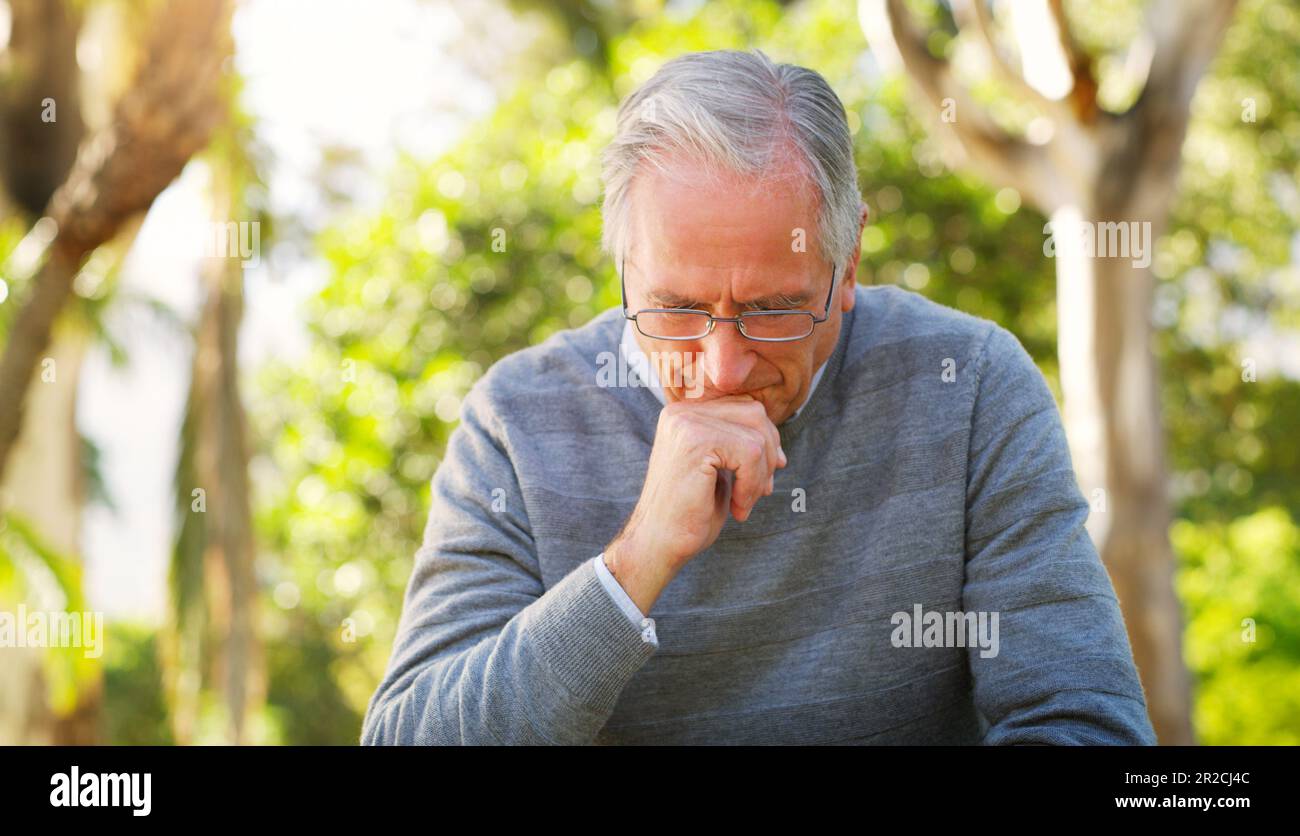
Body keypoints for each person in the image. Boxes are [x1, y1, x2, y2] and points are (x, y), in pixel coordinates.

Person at [361, 49, 1156, 745]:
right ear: (623, 269)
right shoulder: (517, 422)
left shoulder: (972, 384)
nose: (722, 368)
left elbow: (1088, 725)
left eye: (773, 310)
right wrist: (635, 561)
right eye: (675, 309)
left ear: (847, 268)